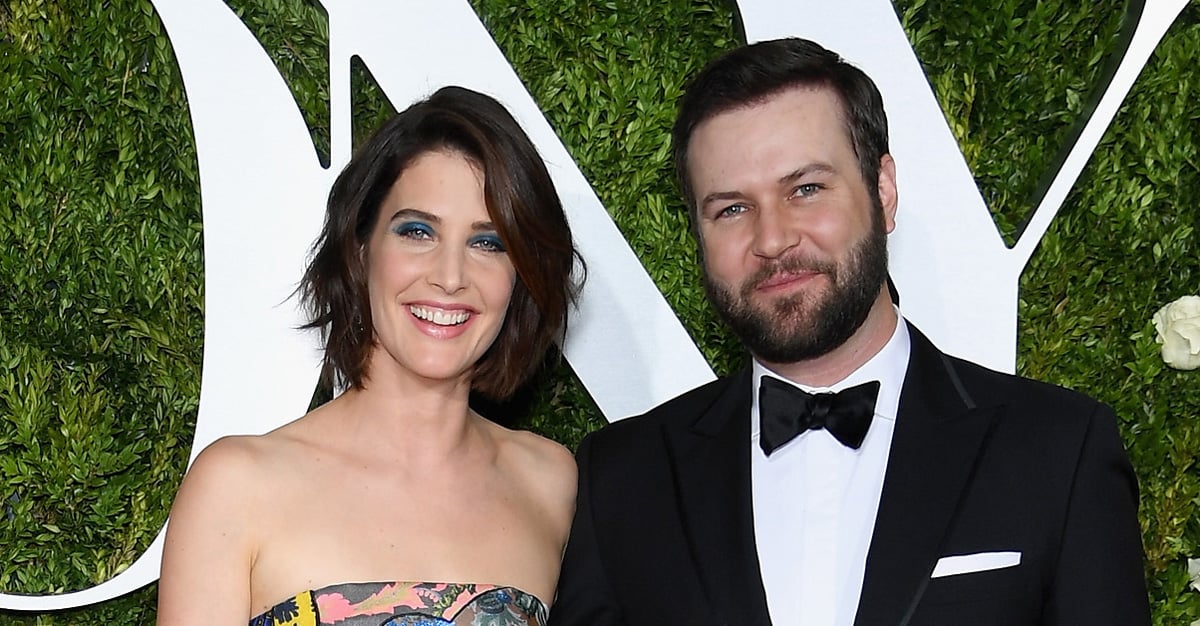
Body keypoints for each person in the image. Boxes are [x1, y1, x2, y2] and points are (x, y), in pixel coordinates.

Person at [550, 38, 1149, 625]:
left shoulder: (1058, 449)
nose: (773, 239)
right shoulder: (624, 478)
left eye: (806, 189)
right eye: (731, 208)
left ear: (882, 192)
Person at [158, 86, 581, 626]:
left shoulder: (549, 481)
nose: (450, 277)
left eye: (488, 242)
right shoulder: (237, 487)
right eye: (417, 231)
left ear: (520, 276)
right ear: (361, 251)